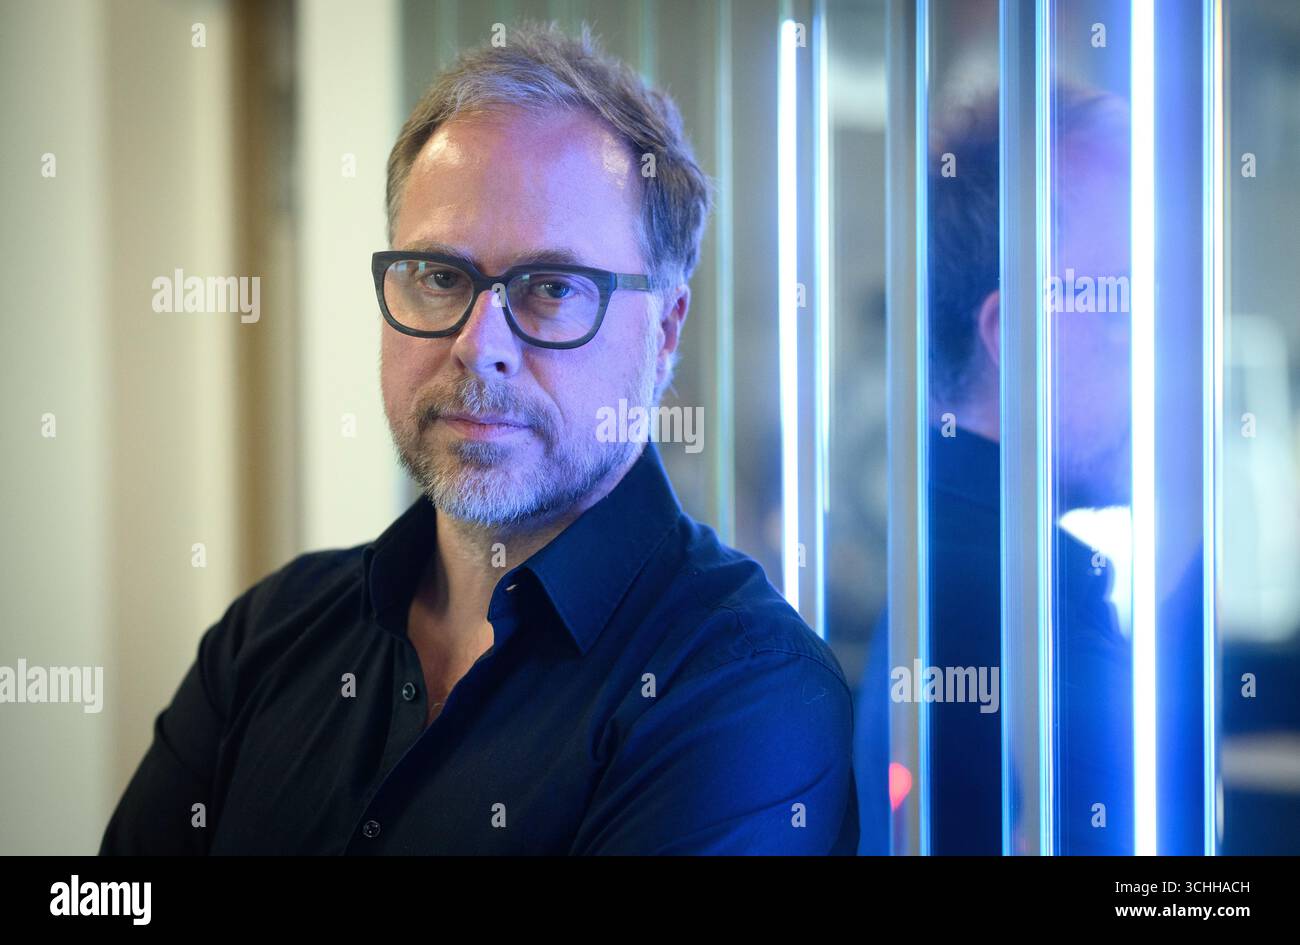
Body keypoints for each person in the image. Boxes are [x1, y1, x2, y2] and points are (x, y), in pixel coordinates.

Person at [100, 20, 857, 855]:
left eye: (552, 286)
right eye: (439, 275)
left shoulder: (744, 690)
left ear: (667, 329)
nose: (478, 342)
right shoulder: (269, 635)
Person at [856, 84, 1136, 854]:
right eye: (1124, 308)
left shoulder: (960, 578)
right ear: (1013, 334)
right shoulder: (1012, 626)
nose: (1161, 356)